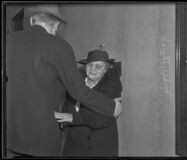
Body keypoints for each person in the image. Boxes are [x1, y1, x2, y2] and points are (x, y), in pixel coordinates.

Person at [6, 4, 122, 158]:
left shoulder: (8, 40)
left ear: (32, 20)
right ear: (56, 25)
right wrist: (111, 106)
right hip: (42, 136)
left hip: (12, 129)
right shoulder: (59, 46)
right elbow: (78, 91)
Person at [54, 50, 123, 157]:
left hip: (100, 146)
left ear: (105, 69)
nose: (92, 69)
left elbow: (105, 118)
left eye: (98, 66)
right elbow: (68, 104)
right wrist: (63, 120)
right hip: (75, 145)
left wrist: (72, 118)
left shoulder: (113, 85)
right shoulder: (77, 83)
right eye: (90, 65)